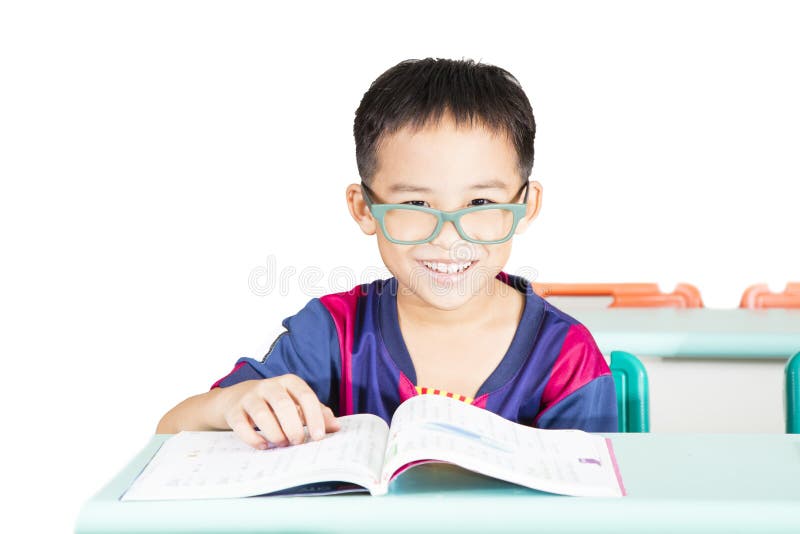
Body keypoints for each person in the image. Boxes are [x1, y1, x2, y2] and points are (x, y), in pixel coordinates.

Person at [157, 57, 618, 449]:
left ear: (525, 205)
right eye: (415, 204)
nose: (448, 237)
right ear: (365, 209)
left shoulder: (567, 359)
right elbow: (172, 433)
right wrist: (228, 403)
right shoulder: (331, 334)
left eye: (480, 203)